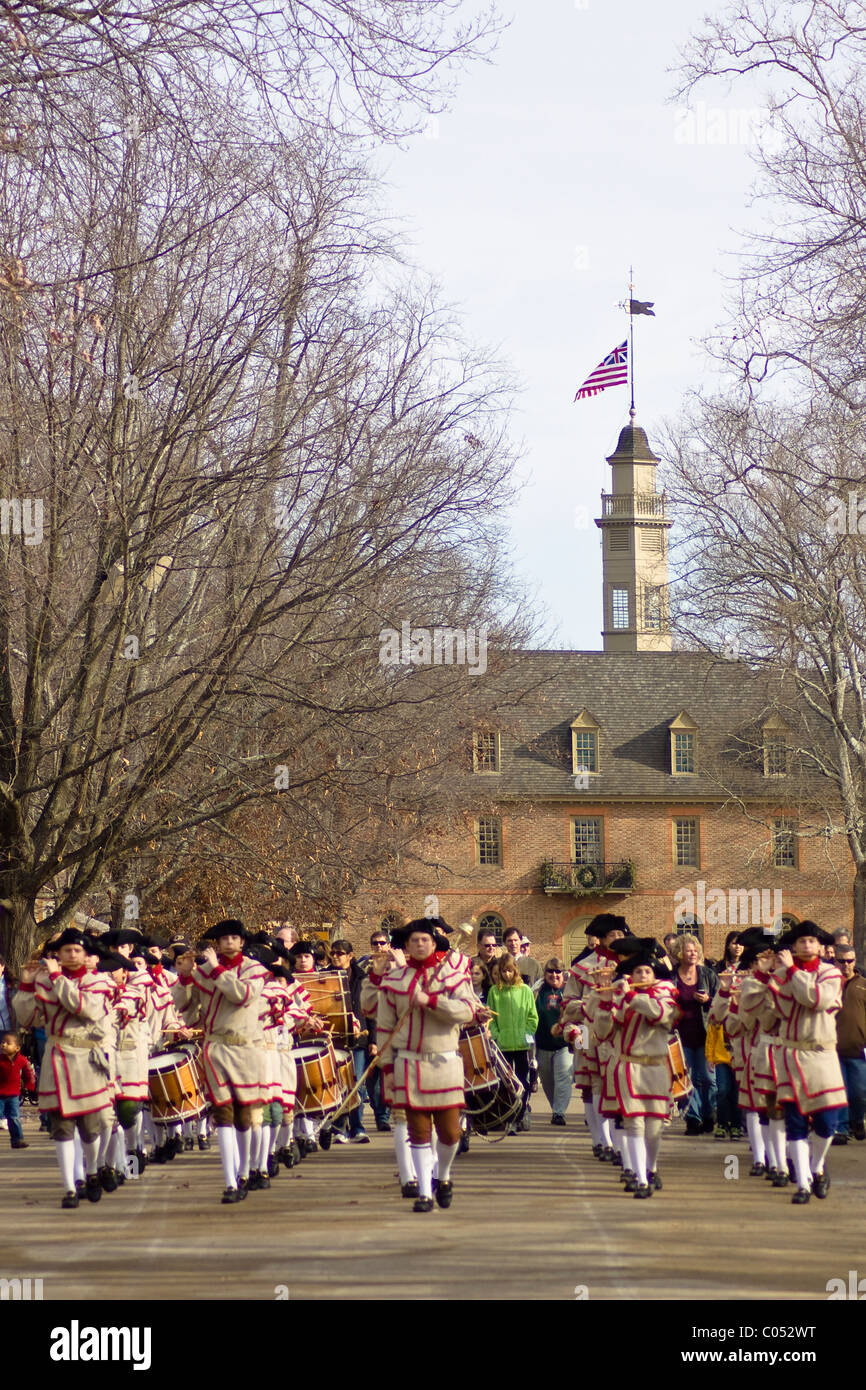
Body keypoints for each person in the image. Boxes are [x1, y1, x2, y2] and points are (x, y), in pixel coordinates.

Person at [367, 919, 480, 1212]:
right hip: (408, 1062)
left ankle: (442, 1176)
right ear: (406, 946)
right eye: (414, 940)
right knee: (416, 1130)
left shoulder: (453, 977)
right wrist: (388, 1068)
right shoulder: (394, 982)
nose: (420, 944)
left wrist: (431, 1001)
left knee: (450, 1133)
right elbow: (385, 1029)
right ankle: (424, 1193)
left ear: (433, 944)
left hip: (444, 1060)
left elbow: (467, 1011)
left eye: (425, 940)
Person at [173, 920, 276, 1204]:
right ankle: (230, 1181)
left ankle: (245, 1172)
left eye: (234, 938)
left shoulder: (256, 971)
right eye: (223, 939)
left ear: (242, 942)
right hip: (217, 1047)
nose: (229, 942)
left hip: (248, 1049)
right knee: (224, 1114)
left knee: (245, 1115)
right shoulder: (204, 972)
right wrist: (183, 978)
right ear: (216, 944)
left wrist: (216, 969)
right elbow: (187, 1010)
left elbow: (242, 996)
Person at [14, 927, 117, 1207]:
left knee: (91, 1128)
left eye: (77, 951)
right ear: (57, 954)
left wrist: (57, 977)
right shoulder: (46, 982)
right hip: (56, 1058)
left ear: (85, 955)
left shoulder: (99, 982)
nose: (71, 954)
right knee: (62, 1127)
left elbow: (83, 1008)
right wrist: (26, 984)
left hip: (86, 1060)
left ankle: (93, 1170)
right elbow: (29, 1018)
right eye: (66, 950)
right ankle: (71, 1186)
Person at [769, 921, 847, 1204]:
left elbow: (815, 998)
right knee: (795, 1123)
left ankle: (817, 1167)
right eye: (800, 942)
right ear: (793, 946)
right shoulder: (778, 975)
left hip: (823, 1054)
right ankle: (802, 1183)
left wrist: (791, 973)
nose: (805, 946)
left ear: (819, 946)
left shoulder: (831, 973)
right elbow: (778, 1012)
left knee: (828, 1123)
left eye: (810, 942)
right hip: (790, 1055)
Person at [596, 937, 679, 1198]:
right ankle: (640, 1178)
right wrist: (606, 1003)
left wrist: (632, 996)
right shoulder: (621, 998)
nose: (643, 974)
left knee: (654, 1131)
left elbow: (659, 1016)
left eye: (647, 971)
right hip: (628, 1067)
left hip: (656, 1069)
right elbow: (602, 1032)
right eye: (638, 972)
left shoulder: (665, 996)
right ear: (630, 975)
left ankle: (650, 1168)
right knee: (635, 1125)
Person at [487, 953, 539, 1133]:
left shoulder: (525, 990)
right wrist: (497, 1036)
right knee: (506, 1084)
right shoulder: (495, 992)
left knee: (523, 1082)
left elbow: (532, 1016)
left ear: (515, 970)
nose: (507, 974)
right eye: (503, 971)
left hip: (522, 1046)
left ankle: (521, 1113)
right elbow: (491, 1018)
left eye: (510, 970)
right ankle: (509, 1117)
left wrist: (527, 1034)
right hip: (503, 1047)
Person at [671, 934, 717, 1134]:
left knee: (708, 1079)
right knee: (684, 1079)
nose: (693, 953)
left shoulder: (707, 974)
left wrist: (707, 1000)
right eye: (688, 950)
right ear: (679, 953)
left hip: (705, 1034)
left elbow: (721, 1001)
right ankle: (693, 1118)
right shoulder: (671, 976)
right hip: (680, 1036)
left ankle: (708, 1114)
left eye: (695, 950)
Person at [328, 940, 370, 1144]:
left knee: (357, 1084)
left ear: (351, 955)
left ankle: (358, 1127)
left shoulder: (363, 978)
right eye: (333, 953)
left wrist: (374, 1040)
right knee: (339, 1085)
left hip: (359, 1038)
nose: (335, 956)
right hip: (335, 1038)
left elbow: (372, 1011)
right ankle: (339, 1128)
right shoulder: (325, 976)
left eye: (340, 953)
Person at [832, 947, 866, 1143]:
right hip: (833, 1050)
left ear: (855, 961)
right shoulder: (829, 984)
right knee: (840, 1091)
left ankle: (856, 1120)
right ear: (835, 962)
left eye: (850, 961)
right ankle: (841, 1129)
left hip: (858, 1049)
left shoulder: (863, 985)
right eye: (842, 961)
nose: (846, 965)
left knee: (859, 1092)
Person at [533, 959, 571, 1125]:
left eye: (558, 972)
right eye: (550, 971)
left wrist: (580, 1047)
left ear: (563, 974)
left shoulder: (569, 991)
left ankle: (559, 1113)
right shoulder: (537, 991)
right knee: (548, 1082)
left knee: (563, 1079)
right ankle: (556, 1108)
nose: (554, 975)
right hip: (543, 1046)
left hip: (564, 1046)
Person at [0, 1031, 36, 1149]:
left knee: (14, 1118)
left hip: (13, 1095)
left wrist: (29, 1086)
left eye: (7, 1043)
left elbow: (29, 1074)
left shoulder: (22, 1060)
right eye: (2, 1042)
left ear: (17, 1048)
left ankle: (17, 1140)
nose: (3, 1045)